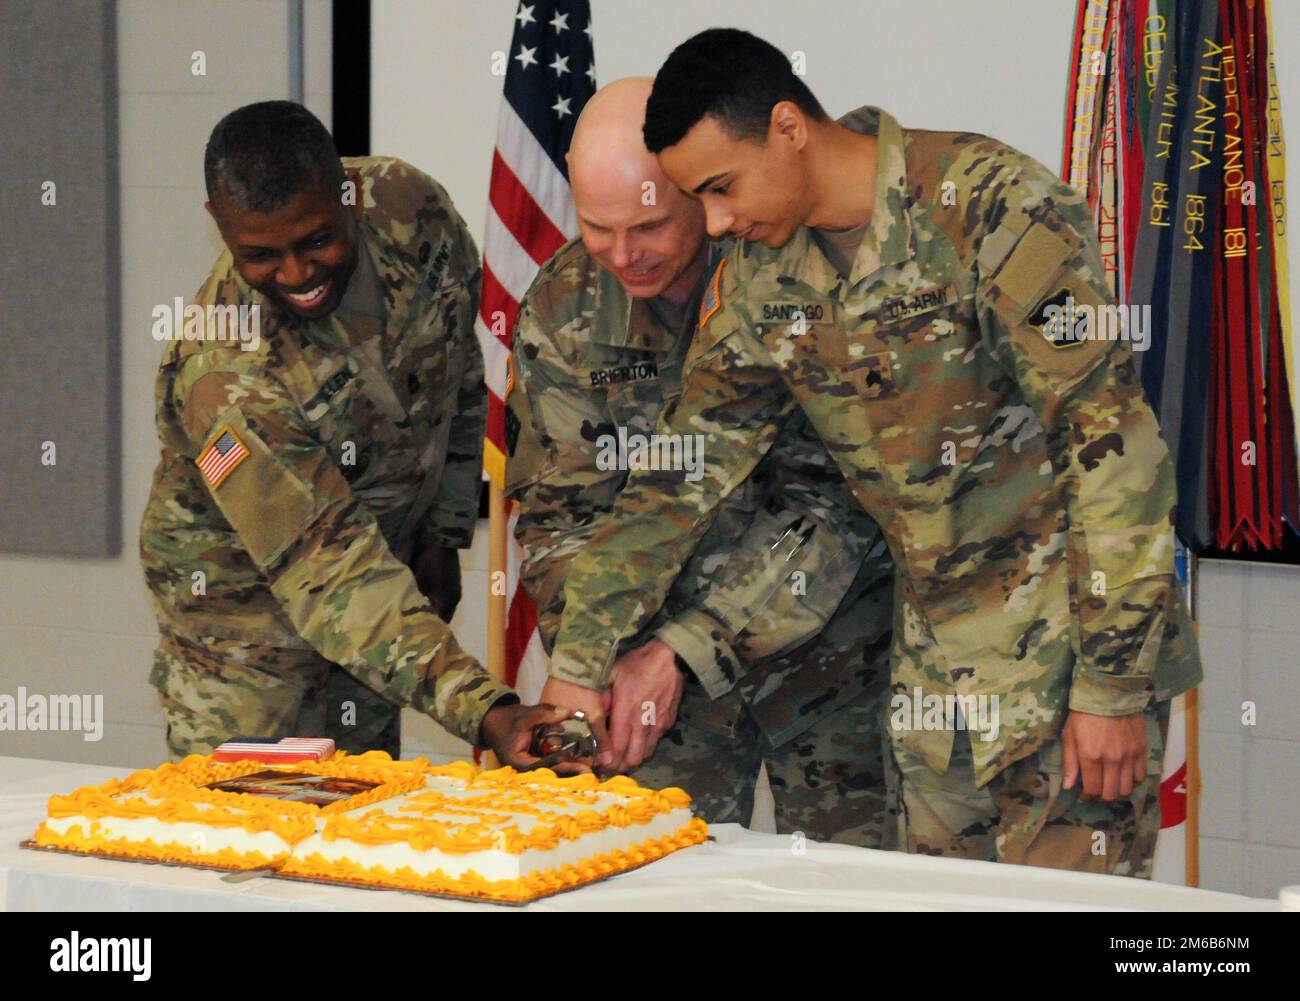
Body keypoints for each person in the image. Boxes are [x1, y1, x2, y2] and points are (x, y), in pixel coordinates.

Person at [546, 30, 1203, 877]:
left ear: (788, 127)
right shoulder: (762, 277)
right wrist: (579, 662)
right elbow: (681, 474)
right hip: (935, 685)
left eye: (721, 187)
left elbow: (1113, 447)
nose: (715, 222)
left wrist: (1111, 687)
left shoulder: (990, 206)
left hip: (1065, 660)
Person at [509, 79, 896, 846]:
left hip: (831, 660)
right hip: (653, 679)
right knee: (647, 880)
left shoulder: (791, 272)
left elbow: (840, 502)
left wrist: (686, 648)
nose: (624, 255)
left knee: (845, 888)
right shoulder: (565, 308)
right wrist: (599, 661)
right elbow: (560, 513)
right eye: (597, 228)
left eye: (649, 225)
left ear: (699, 191)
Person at [140, 101, 571, 767]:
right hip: (250, 649)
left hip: (379, 601)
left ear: (346, 193)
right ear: (217, 225)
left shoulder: (408, 205)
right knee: (252, 824)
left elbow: (458, 369)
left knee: (363, 807)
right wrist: (487, 710)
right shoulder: (226, 377)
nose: (296, 274)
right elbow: (331, 575)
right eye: (260, 255)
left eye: (316, 241)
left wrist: (441, 533)